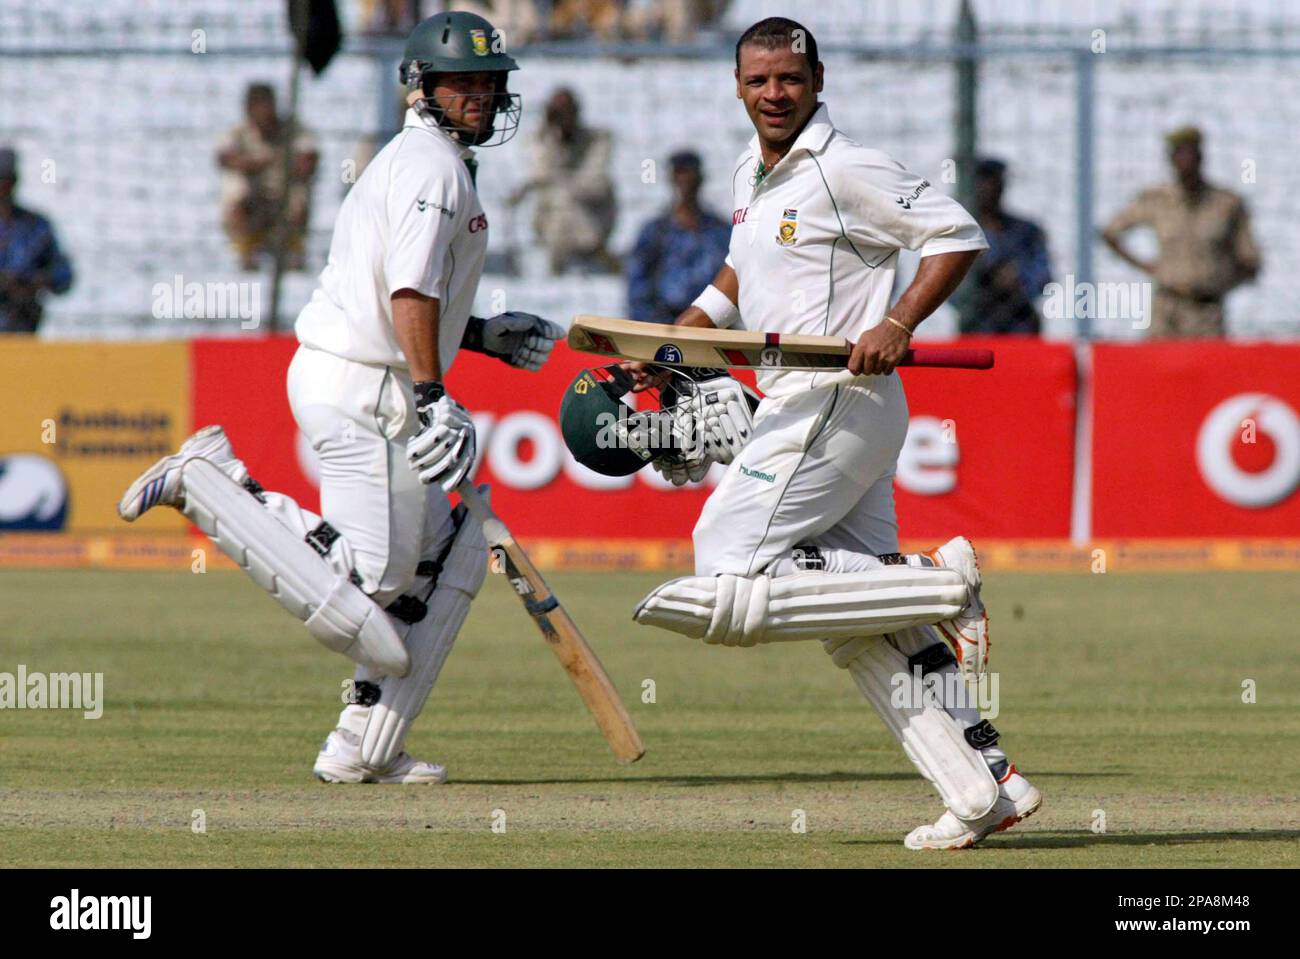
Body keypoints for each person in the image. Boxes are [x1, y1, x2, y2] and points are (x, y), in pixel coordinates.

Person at [119, 12, 565, 785]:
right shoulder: (433, 169)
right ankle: (214, 483)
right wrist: (433, 393)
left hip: (364, 372)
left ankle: (360, 746)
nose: (484, 97)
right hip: (363, 385)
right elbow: (408, 291)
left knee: (434, 560)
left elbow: (404, 292)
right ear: (422, 89)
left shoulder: (430, 162)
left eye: (492, 84)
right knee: (372, 591)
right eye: (465, 83)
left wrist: (485, 335)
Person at [627, 17, 1041, 849]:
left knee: (728, 560)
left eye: (788, 79)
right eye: (757, 80)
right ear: (738, 86)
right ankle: (985, 783)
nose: (773, 94)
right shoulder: (754, 168)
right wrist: (681, 337)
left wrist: (895, 320)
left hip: (838, 395)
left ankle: (936, 579)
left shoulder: (845, 167)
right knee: (857, 628)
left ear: (817, 81)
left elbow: (956, 233)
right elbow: (741, 275)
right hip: (796, 398)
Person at [1101, 126, 1260, 336]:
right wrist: (1148, 267)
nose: (1186, 162)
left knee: (1208, 366)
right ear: (1171, 159)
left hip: (1206, 312)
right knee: (1157, 366)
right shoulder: (1158, 200)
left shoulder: (1225, 204)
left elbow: (1250, 261)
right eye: (1179, 154)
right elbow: (1111, 233)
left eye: (1190, 154)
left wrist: (1218, 279)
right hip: (1167, 309)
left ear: (1201, 157)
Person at [509, 88, 618, 274]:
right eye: (557, 112)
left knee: (564, 195)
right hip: (550, 219)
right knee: (559, 198)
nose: (562, 117)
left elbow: (594, 182)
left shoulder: (597, 140)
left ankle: (588, 251)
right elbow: (539, 171)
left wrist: (557, 179)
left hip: (593, 214)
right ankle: (579, 258)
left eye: (566, 111)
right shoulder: (540, 139)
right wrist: (552, 136)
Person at [217, 83, 320, 271]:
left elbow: (309, 160)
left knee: (299, 195)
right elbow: (224, 158)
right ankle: (247, 250)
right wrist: (259, 163)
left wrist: (285, 166)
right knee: (234, 189)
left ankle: (293, 248)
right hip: (254, 195)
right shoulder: (239, 132)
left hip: (284, 193)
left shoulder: (293, 130)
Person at [625, 150, 731, 324]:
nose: (685, 181)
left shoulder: (720, 232)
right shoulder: (655, 232)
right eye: (679, 174)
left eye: (689, 174)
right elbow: (637, 285)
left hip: (711, 321)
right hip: (664, 321)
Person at [958, 157, 1051, 334]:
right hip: (978, 324)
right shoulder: (962, 231)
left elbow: (1043, 275)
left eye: (994, 182)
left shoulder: (1026, 231)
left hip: (1020, 324)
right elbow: (947, 288)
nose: (989, 189)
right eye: (983, 182)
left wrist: (1018, 277)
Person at [0, 147, 74, 333]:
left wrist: (36, 281)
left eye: (6, 180)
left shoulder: (35, 227)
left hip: (22, 330)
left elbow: (63, 275)